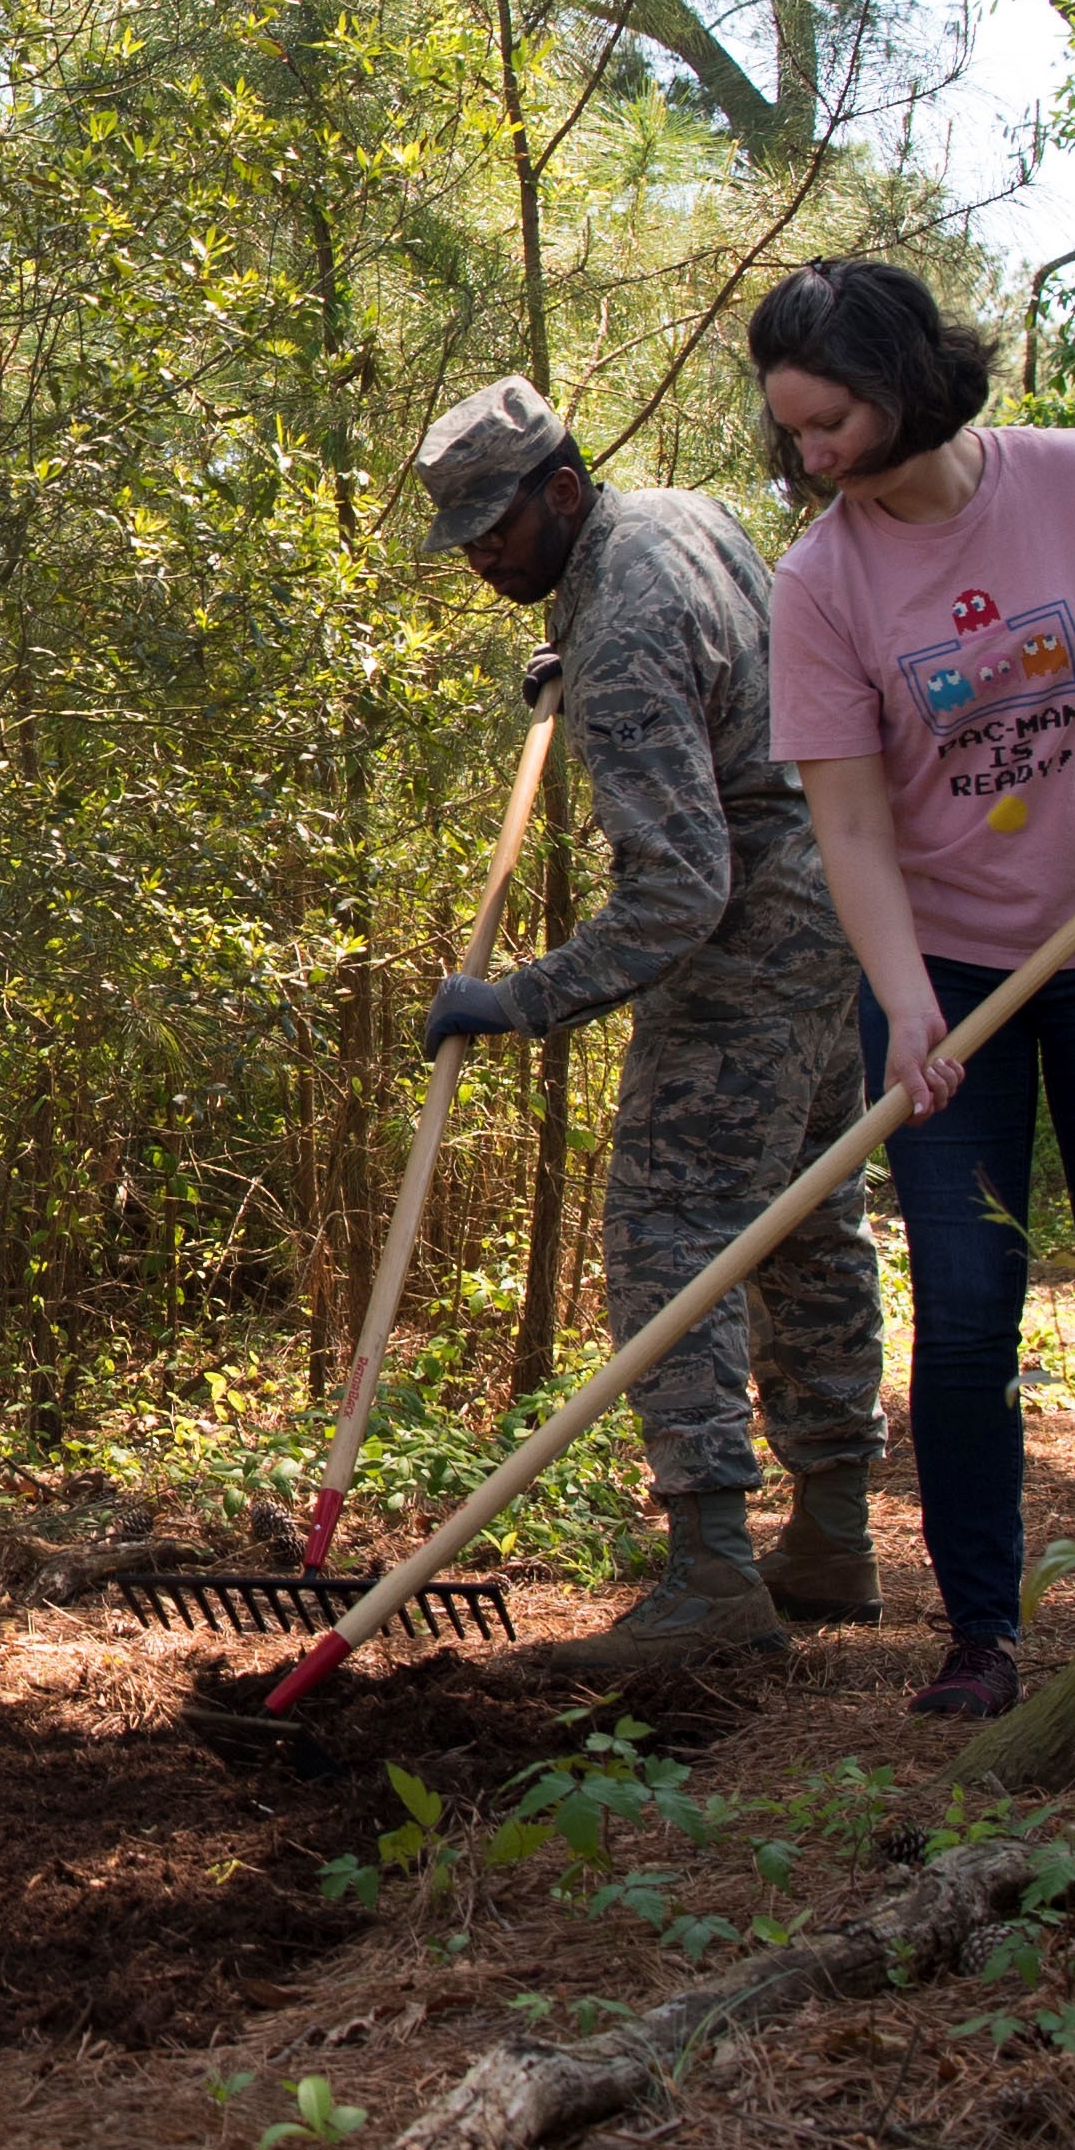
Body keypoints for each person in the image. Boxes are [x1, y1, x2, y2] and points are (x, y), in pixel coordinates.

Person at [749, 257, 1075, 1723]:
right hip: (948, 976)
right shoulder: (822, 580)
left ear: (904, 381)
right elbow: (846, 819)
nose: (810, 455)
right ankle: (981, 1631)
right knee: (965, 1307)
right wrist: (903, 1001)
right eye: (790, 430)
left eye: (829, 419)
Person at [409, 376, 888, 1672]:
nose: (479, 562)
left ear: (561, 490)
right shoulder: (680, 520)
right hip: (838, 912)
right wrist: (573, 640)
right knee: (806, 1222)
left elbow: (678, 889)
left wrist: (518, 999)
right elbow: (734, 661)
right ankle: (832, 1534)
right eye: (462, 541)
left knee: (670, 1228)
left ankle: (712, 1572)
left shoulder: (622, 627)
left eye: (493, 533)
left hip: (741, 958)